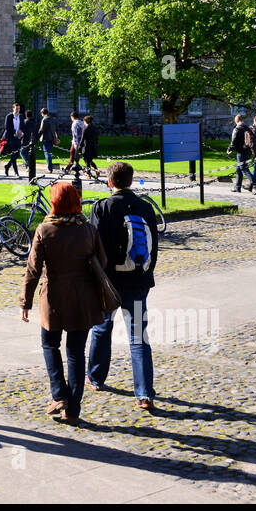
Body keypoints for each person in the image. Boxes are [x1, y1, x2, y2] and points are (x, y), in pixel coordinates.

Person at [21, 182, 109, 425]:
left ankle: (59, 395)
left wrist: (25, 302)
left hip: (54, 297)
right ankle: (73, 408)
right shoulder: (88, 229)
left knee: (50, 345)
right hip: (83, 297)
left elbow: (33, 270)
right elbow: (102, 260)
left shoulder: (45, 229)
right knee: (76, 352)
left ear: (55, 202)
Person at [87, 161, 160, 410]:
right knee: (138, 336)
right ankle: (144, 393)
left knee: (101, 329)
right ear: (130, 181)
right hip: (138, 280)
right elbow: (155, 246)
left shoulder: (103, 207)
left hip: (109, 281)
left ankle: (96, 377)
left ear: (110, 182)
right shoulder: (145, 207)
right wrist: (146, 273)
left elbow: (94, 246)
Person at [230, 113, 255, 193]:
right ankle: (237, 187)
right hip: (248, 151)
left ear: (236, 120)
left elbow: (234, 140)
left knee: (244, 169)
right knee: (239, 169)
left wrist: (230, 149)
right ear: (243, 120)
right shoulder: (247, 128)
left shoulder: (237, 128)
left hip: (241, 151)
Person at [2, 102, 27, 177]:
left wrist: (22, 132)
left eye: (18, 108)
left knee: (16, 155)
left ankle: (7, 166)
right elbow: (7, 127)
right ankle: (16, 173)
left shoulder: (21, 116)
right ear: (13, 108)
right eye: (16, 108)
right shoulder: (9, 116)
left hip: (18, 138)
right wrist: (16, 131)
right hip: (11, 137)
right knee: (13, 154)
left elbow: (22, 126)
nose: (17, 110)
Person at [38, 107, 58, 172]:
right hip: (52, 138)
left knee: (47, 154)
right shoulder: (52, 119)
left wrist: (36, 137)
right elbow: (55, 129)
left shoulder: (44, 120)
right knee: (49, 153)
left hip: (46, 138)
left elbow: (41, 130)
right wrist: (56, 137)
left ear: (42, 113)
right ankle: (50, 167)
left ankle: (49, 168)